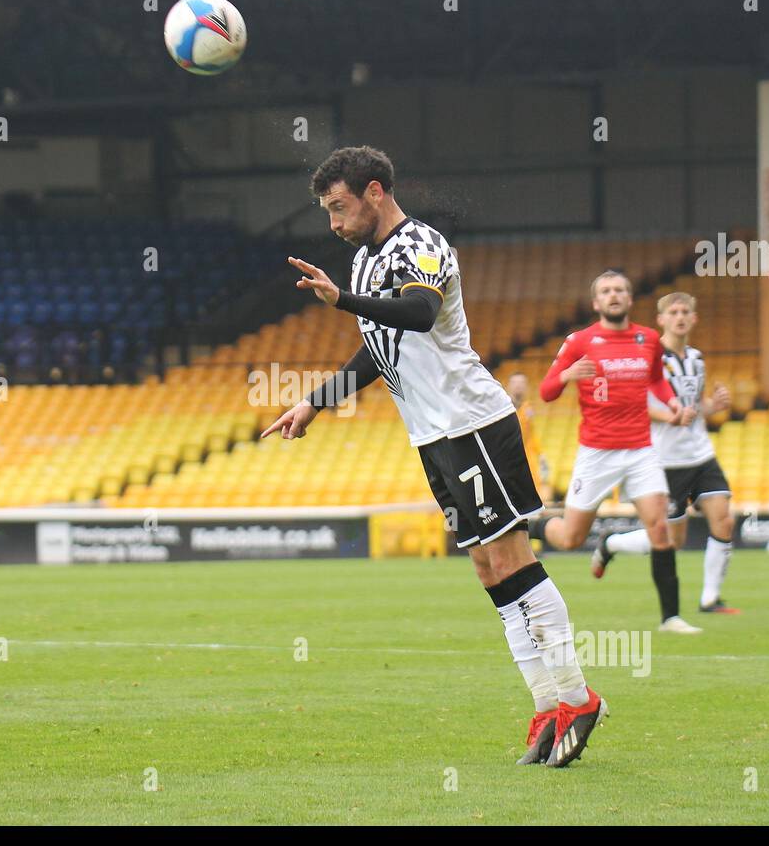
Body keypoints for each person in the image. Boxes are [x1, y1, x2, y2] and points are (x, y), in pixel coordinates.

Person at [262, 145, 607, 767]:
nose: (334, 224)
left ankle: (577, 699)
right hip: (432, 435)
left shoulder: (421, 244)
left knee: (513, 557)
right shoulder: (365, 262)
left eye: (339, 207)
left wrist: (342, 301)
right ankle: (545, 704)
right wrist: (315, 401)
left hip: (474, 423)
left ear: (374, 191)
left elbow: (419, 314)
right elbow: (378, 350)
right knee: (488, 569)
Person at [534, 271, 703, 634]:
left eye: (620, 290)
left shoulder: (649, 339)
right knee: (571, 539)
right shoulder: (580, 341)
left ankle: (671, 618)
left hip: (641, 450)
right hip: (597, 452)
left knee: (660, 529)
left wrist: (672, 402)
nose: (614, 295)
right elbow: (546, 391)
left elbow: (657, 380)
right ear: (596, 302)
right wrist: (567, 376)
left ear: (629, 298)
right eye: (606, 291)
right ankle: (538, 524)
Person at [593, 292, 739, 613]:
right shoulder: (648, 358)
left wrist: (713, 405)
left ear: (694, 318)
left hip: (701, 455)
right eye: (673, 312)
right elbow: (635, 406)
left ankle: (710, 599)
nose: (680, 317)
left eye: (685, 311)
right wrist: (670, 416)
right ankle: (610, 544)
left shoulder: (697, 358)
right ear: (661, 319)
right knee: (672, 540)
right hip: (666, 460)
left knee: (724, 520)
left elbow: (693, 408)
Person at [504, 372, 551, 502]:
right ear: (508, 386)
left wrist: (540, 453)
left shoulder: (528, 408)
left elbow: (531, 433)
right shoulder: (503, 409)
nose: (518, 386)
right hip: (507, 458)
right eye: (515, 383)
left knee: (533, 491)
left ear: (527, 387)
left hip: (527, 457)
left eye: (522, 383)